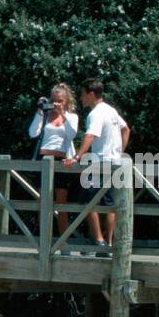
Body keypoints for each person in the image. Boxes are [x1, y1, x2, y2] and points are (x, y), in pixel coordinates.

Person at [64, 79, 130, 247]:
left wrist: (76, 157)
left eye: (83, 94)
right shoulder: (111, 110)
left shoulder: (96, 114)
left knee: (88, 202)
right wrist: (120, 152)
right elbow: (126, 129)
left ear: (91, 94)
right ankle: (109, 243)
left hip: (99, 163)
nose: (81, 98)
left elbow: (90, 136)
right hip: (114, 162)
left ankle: (99, 240)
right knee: (109, 203)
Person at [27, 83, 79, 238]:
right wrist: (39, 111)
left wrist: (62, 114)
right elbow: (32, 133)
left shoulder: (71, 117)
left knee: (61, 203)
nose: (57, 103)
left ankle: (63, 240)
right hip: (45, 158)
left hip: (62, 160)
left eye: (60, 101)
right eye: (54, 100)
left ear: (66, 101)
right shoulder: (45, 115)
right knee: (44, 202)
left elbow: (72, 135)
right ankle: (45, 239)